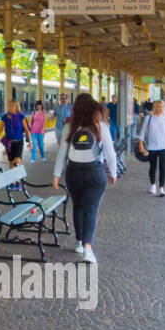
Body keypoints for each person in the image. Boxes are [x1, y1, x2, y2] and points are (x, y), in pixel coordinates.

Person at [51, 92, 117, 265]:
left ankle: (80, 241)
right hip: (95, 173)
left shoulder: (69, 127)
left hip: (73, 172)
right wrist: (113, 172)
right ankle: (88, 248)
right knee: (90, 210)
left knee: (78, 207)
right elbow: (110, 151)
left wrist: (56, 175)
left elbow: (62, 154)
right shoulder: (100, 126)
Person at [138, 100, 165, 196]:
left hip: (164, 146)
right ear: (154, 107)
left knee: (163, 167)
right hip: (152, 146)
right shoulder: (149, 118)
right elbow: (143, 132)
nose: (160, 108)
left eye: (162, 107)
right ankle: (153, 184)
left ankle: (161, 188)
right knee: (153, 167)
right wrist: (141, 143)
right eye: (158, 106)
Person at [1, 99, 27, 168]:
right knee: (11, 164)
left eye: (12, 105)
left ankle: (18, 179)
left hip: (19, 142)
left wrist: (30, 142)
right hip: (9, 142)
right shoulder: (5, 117)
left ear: (16, 106)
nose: (10, 107)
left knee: (17, 162)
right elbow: (1, 128)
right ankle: (13, 178)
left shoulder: (21, 116)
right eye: (9, 105)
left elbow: (27, 130)